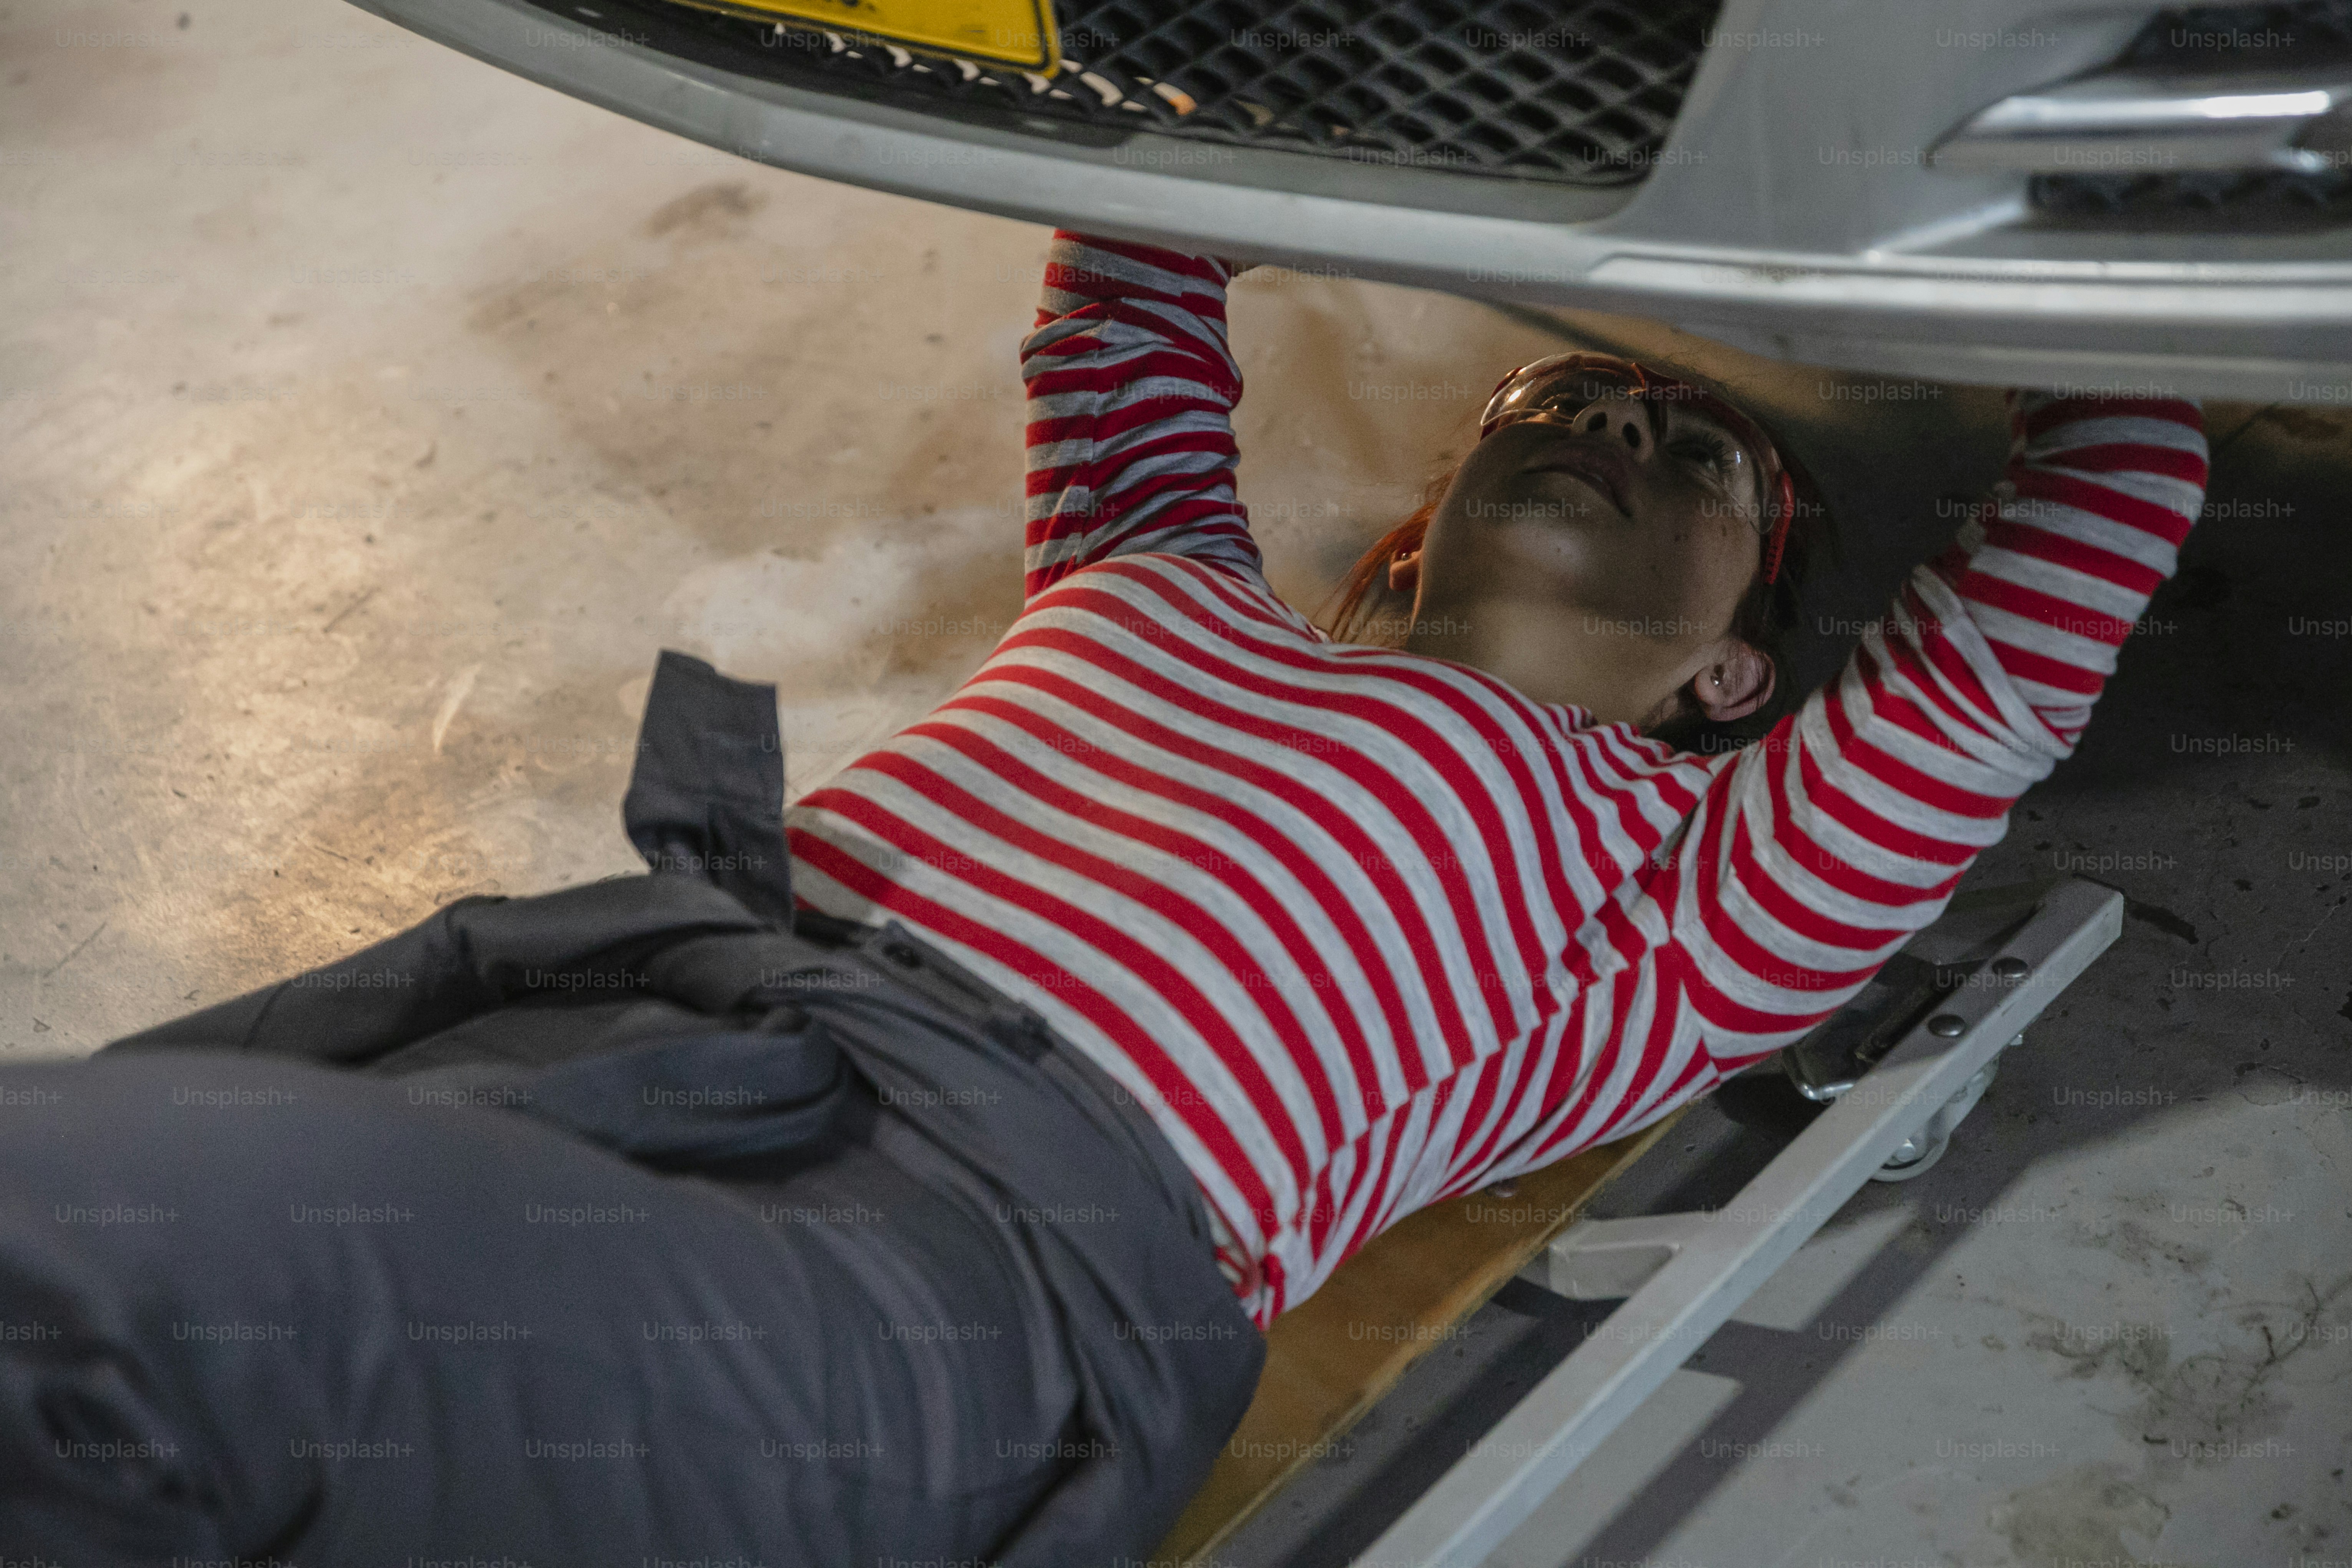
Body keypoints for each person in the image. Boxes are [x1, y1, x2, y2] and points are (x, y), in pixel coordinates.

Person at [0, 230, 2208, 1565]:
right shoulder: (1156, 569)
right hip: (604, 1035)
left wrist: (2026, 241)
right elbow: (1136, 246)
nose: (1626, 424)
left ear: (1737, 668)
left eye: (1701, 453)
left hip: (957, 1258)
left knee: (111, 1270)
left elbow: (2033, 607)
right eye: (1567, 398)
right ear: (1420, 522)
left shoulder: (1668, 893)